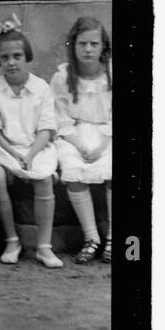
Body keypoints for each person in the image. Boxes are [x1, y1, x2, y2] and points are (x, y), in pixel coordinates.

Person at [0, 28, 61, 268]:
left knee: (44, 178)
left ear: (26, 57)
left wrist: (30, 154)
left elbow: (46, 129)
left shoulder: (41, 88)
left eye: (17, 56)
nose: (11, 62)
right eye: (5, 58)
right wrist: (14, 153)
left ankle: (44, 247)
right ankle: (12, 240)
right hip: (3, 147)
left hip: (35, 147)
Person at [50, 17, 113, 264]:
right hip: (73, 134)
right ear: (73, 45)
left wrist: (101, 145)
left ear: (103, 47)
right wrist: (78, 144)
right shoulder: (63, 77)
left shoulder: (111, 73)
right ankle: (91, 238)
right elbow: (60, 118)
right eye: (82, 43)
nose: (88, 49)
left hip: (107, 135)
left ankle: (112, 238)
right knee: (73, 169)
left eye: (94, 44)